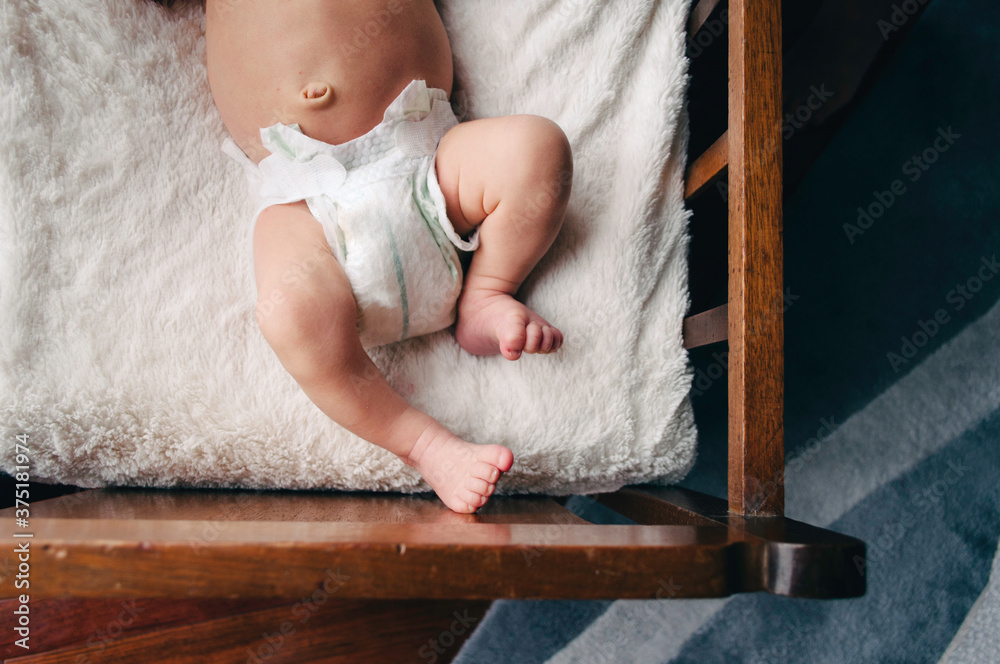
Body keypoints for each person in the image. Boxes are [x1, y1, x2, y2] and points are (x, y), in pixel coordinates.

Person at [155, 0, 573, 513]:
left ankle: (487, 291)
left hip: (429, 159)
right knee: (288, 313)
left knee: (537, 148)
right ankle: (423, 443)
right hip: (307, 203)